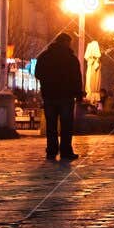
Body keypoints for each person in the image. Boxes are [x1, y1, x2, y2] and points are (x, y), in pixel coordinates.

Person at [35, 32, 84, 162]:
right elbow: (77, 78)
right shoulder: (71, 58)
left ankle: (51, 150)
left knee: (51, 126)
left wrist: (48, 82)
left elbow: (38, 73)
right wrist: (78, 94)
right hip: (66, 97)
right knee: (66, 125)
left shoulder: (44, 56)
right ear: (66, 42)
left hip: (49, 96)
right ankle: (66, 151)